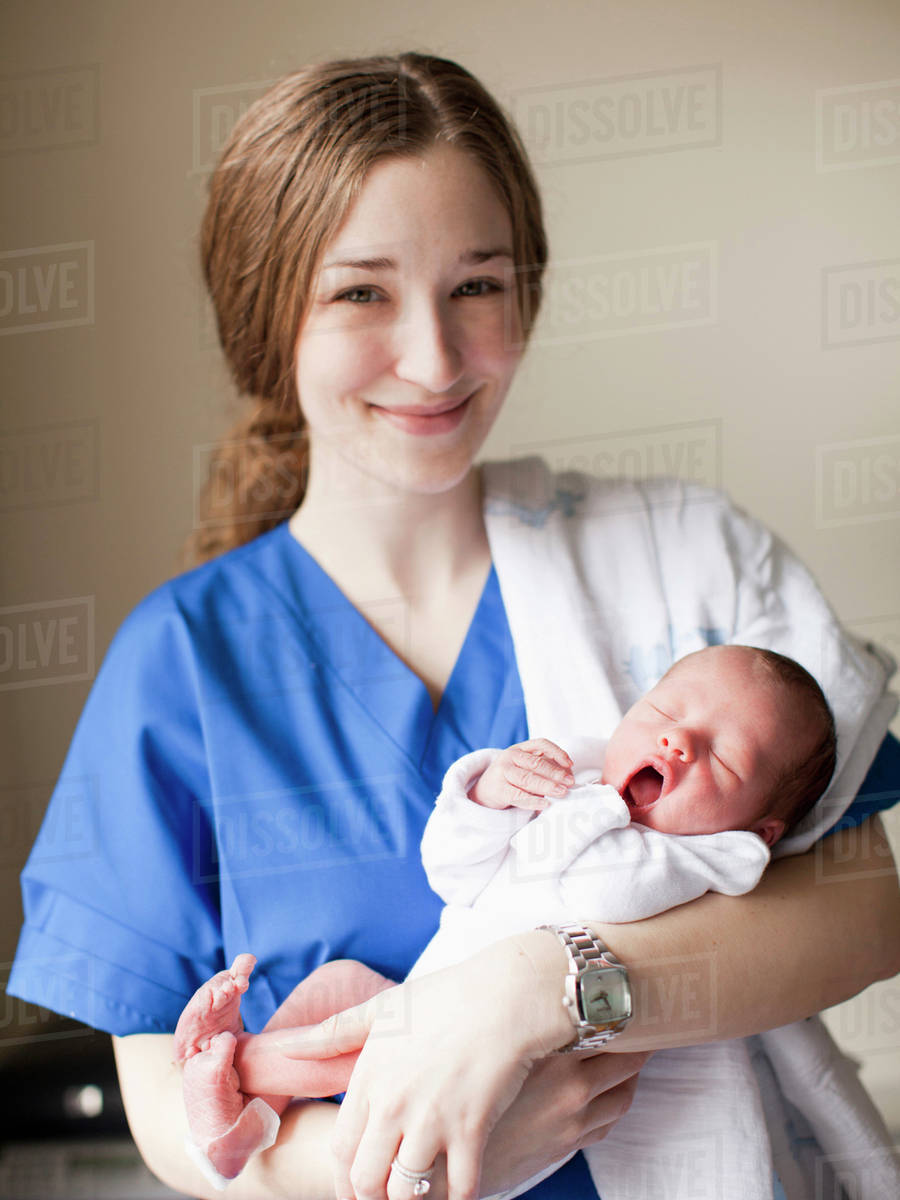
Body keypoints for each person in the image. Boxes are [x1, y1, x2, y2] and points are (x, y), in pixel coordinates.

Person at [7, 51, 900, 1200]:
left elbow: (862, 908)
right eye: (361, 293)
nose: (433, 359)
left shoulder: (686, 556)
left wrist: (537, 991)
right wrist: (409, 1169)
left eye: (476, 285)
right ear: (267, 314)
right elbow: (165, 1112)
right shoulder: (180, 662)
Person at [172, 643, 847, 1191]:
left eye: (724, 757)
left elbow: (606, 893)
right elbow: (453, 873)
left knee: (370, 1051)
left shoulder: (706, 858)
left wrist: (594, 808)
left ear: (759, 828)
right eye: (665, 710)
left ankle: (241, 1066)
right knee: (339, 986)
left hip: (514, 1085)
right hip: (426, 1001)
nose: (678, 741)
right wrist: (490, 796)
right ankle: (244, 1121)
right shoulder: (580, 779)